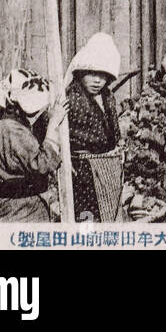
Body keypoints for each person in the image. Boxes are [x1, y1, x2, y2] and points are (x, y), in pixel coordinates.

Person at [0, 69, 66, 222]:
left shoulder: (2, 124)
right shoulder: (12, 130)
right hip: (19, 210)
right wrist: (53, 126)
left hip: (12, 205)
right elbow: (42, 164)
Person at [65, 32, 123, 222]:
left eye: (103, 76)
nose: (98, 81)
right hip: (81, 171)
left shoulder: (107, 96)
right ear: (81, 72)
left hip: (107, 168)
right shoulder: (71, 98)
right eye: (92, 74)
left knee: (109, 214)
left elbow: (113, 128)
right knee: (87, 218)